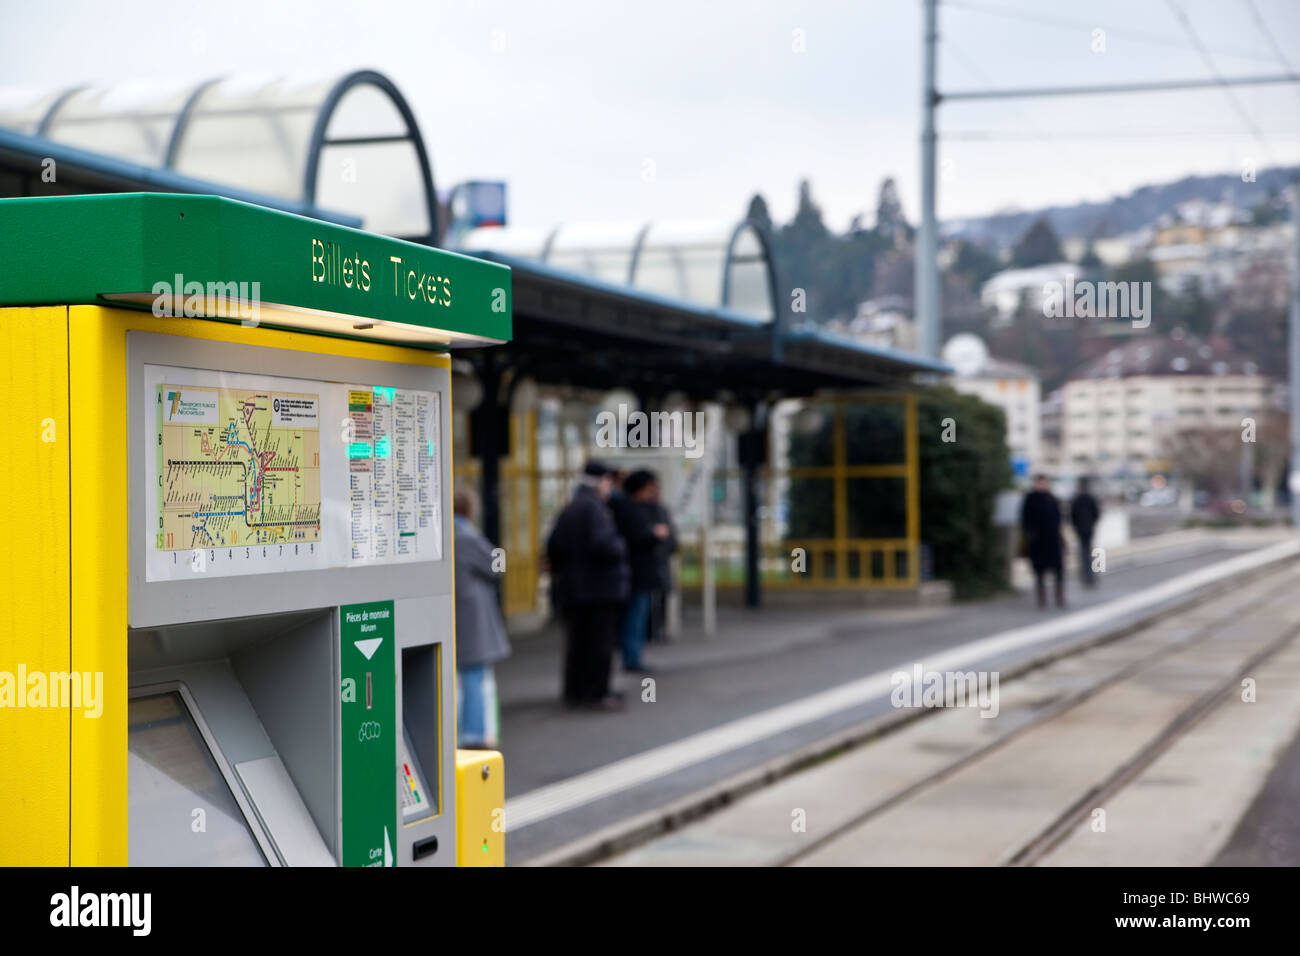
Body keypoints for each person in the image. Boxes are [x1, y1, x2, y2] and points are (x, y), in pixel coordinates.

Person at [545, 460, 629, 710]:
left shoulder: (571, 507)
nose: (610, 487)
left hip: (574, 589)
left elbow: (553, 546)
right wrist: (620, 547)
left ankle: (576, 691)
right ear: (599, 482)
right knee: (599, 644)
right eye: (608, 482)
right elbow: (605, 545)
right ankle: (597, 692)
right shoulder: (594, 509)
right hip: (598, 589)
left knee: (578, 643)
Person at [453, 486, 511, 749]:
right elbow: (496, 565)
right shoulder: (466, 534)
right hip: (471, 615)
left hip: (451, 609)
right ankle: (474, 735)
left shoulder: (439, 532)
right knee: (474, 674)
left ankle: (451, 733)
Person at [610, 470, 672, 672]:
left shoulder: (647, 508)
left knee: (638, 617)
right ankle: (631, 658)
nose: (653, 491)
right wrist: (654, 534)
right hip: (636, 574)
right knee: (634, 618)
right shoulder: (627, 509)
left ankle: (633, 656)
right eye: (650, 487)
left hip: (641, 573)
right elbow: (639, 537)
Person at [1021, 474, 1065, 609]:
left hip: (1052, 540)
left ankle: (1059, 596)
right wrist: (1031, 535)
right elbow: (1025, 519)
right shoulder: (1031, 499)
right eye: (1040, 483)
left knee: (1058, 569)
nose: (1042, 485)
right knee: (1039, 571)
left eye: (1044, 483)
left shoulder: (1051, 498)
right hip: (1038, 542)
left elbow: (1058, 519)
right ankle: (1042, 598)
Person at [1070, 477, 1101, 589]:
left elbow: (1072, 515)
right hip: (1089, 528)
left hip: (1080, 529)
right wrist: (1092, 523)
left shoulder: (1076, 498)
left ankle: (1085, 574)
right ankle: (1092, 574)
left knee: (1083, 553)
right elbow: (1096, 513)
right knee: (1092, 551)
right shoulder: (1091, 498)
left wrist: (1076, 526)